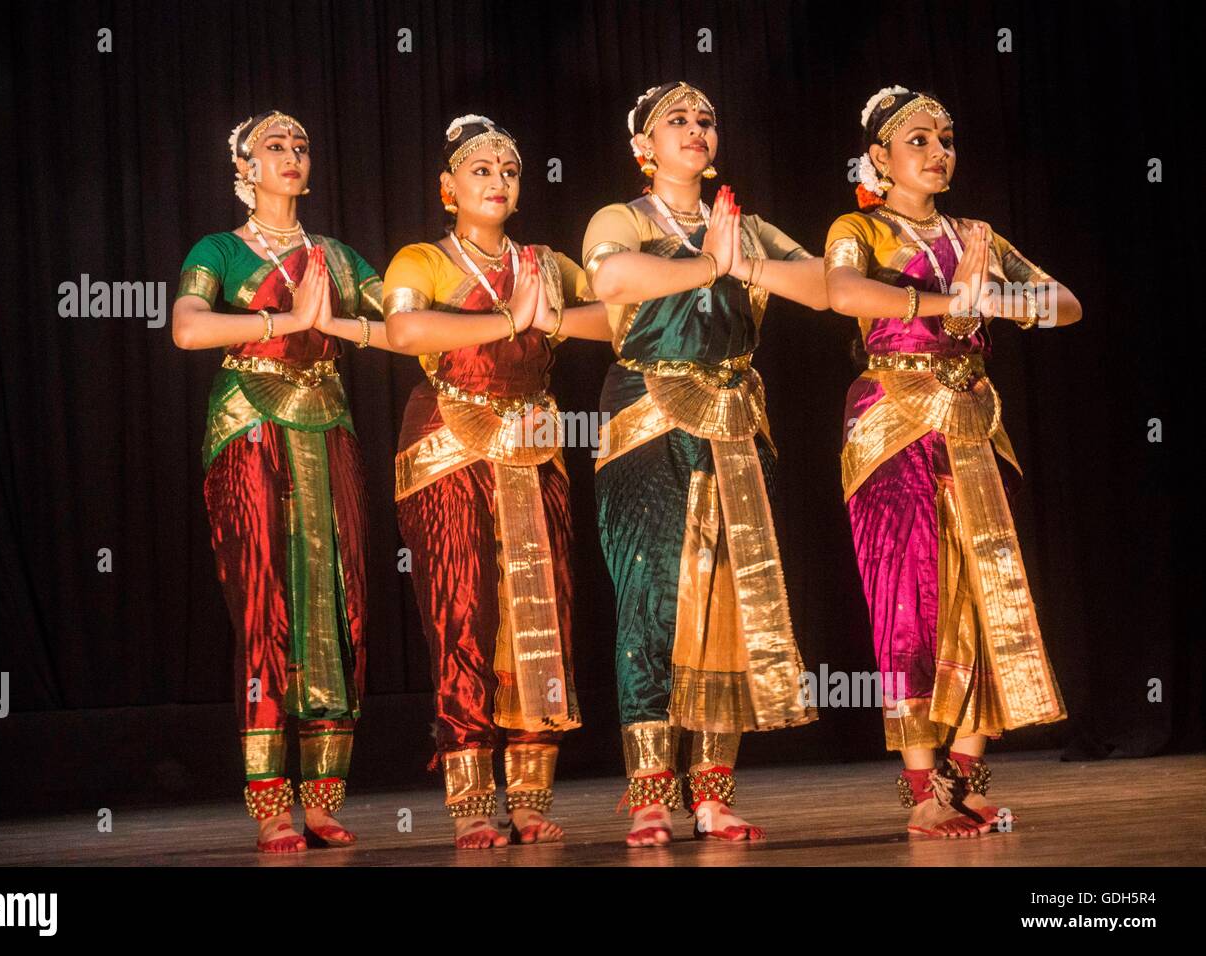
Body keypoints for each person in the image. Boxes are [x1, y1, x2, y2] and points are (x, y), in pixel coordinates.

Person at [823, 86, 1082, 837]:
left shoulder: (976, 233)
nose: (939, 153)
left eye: (947, 140)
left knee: (980, 594)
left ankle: (964, 781)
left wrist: (996, 301)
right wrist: (949, 306)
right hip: (892, 425)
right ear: (879, 157)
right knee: (910, 596)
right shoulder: (859, 228)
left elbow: (1066, 302)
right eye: (919, 142)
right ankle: (921, 789)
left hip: (971, 425)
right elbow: (840, 293)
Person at [582, 82, 828, 846]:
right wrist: (707, 264)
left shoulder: (745, 228)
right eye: (676, 121)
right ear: (642, 147)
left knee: (728, 603)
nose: (695, 129)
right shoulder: (621, 219)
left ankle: (713, 794)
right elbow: (611, 280)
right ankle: (651, 791)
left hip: (735, 427)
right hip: (647, 417)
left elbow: (823, 287)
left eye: (705, 120)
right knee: (655, 597)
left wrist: (742, 262)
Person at [172, 110, 403, 853]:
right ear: (243, 168)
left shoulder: (337, 256)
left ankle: (325, 796)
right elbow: (187, 328)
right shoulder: (218, 250)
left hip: (328, 426)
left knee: (339, 600)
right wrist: (281, 323)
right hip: (249, 425)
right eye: (274, 146)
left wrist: (343, 328)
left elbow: (403, 324)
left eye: (302, 145)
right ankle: (271, 801)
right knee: (266, 598)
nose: (292, 155)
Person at [382, 115, 610, 849]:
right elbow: (405, 333)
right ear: (447, 189)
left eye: (509, 170)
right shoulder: (421, 259)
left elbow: (622, 321)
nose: (498, 181)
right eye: (480, 170)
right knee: (463, 608)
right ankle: (473, 798)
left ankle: (532, 791)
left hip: (534, 448)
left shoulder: (546, 261)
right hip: (447, 445)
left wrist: (556, 317)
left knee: (540, 613)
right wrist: (513, 318)